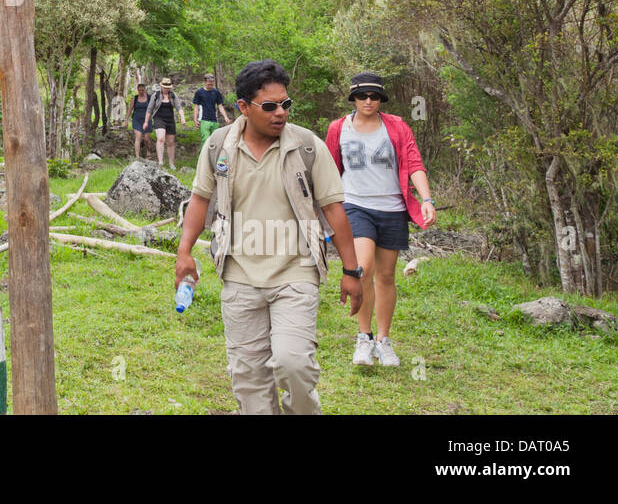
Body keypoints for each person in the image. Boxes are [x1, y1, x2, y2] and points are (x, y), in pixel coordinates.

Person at [175, 59, 363, 415]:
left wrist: (352, 272)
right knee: (249, 380)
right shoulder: (219, 146)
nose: (281, 113)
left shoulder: (306, 146)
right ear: (243, 108)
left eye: (286, 104)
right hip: (240, 277)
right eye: (270, 106)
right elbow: (200, 200)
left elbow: (335, 210)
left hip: (295, 273)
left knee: (294, 365)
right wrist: (184, 252)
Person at [324, 71, 435, 367]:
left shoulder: (396, 127)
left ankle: (383, 341)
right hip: (355, 206)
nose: (368, 101)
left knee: (386, 276)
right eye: (362, 96)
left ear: (381, 99)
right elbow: (329, 170)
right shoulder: (338, 129)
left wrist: (426, 199)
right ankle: (364, 337)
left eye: (374, 96)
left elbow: (414, 164)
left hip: (392, 208)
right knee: (364, 268)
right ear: (354, 98)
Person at [142, 78, 187, 169]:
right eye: (165, 87)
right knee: (161, 138)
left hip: (170, 120)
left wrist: (182, 118)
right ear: (161, 86)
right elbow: (149, 109)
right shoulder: (156, 95)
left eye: (168, 87)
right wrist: (146, 122)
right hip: (159, 119)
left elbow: (179, 107)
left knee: (170, 142)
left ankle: (171, 164)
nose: (167, 89)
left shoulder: (173, 96)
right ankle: (161, 162)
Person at [193, 72, 231, 144]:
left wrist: (225, 117)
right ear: (204, 82)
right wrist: (195, 119)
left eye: (212, 84)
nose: (210, 86)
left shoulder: (216, 92)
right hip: (204, 119)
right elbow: (196, 107)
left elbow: (220, 106)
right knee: (206, 140)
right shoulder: (199, 92)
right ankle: (203, 155)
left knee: (215, 140)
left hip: (214, 119)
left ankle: (213, 155)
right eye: (209, 84)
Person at [129, 82, 151, 159]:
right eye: (139, 90)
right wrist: (126, 120)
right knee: (138, 137)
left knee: (146, 139)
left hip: (147, 120)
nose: (141, 92)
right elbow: (130, 109)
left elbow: (153, 109)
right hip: (136, 120)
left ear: (145, 90)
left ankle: (148, 151)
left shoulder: (149, 98)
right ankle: (137, 156)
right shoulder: (134, 99)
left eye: (142, 90)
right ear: (137, 90)